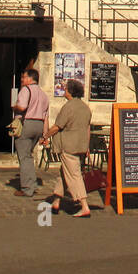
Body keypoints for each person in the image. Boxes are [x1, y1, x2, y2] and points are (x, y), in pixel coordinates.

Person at [41, 78, 92, 217]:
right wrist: (87, 146)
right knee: (64, 173)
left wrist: (45, 136)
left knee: (74, 175)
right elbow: (87, 128)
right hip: (81, 145)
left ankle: (84, 205)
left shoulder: (68, 107)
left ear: (70, 92)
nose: (64, 91)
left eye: (66, 89)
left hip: (69, 145)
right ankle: (56, 202)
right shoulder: (85, 108)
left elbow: (58, 126)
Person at [11, 68, 49, 197]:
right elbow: (46, 117)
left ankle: (27, 188)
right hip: (39, 124)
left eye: (24, 77)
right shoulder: (43, 94)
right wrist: (45, 134)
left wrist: (14, 106)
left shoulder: (26, 90)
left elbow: (22, 107)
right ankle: (31, 184)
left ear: (30, 78)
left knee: (24, 157)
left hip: (27, 123)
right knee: (28, 155)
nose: (22, 80)